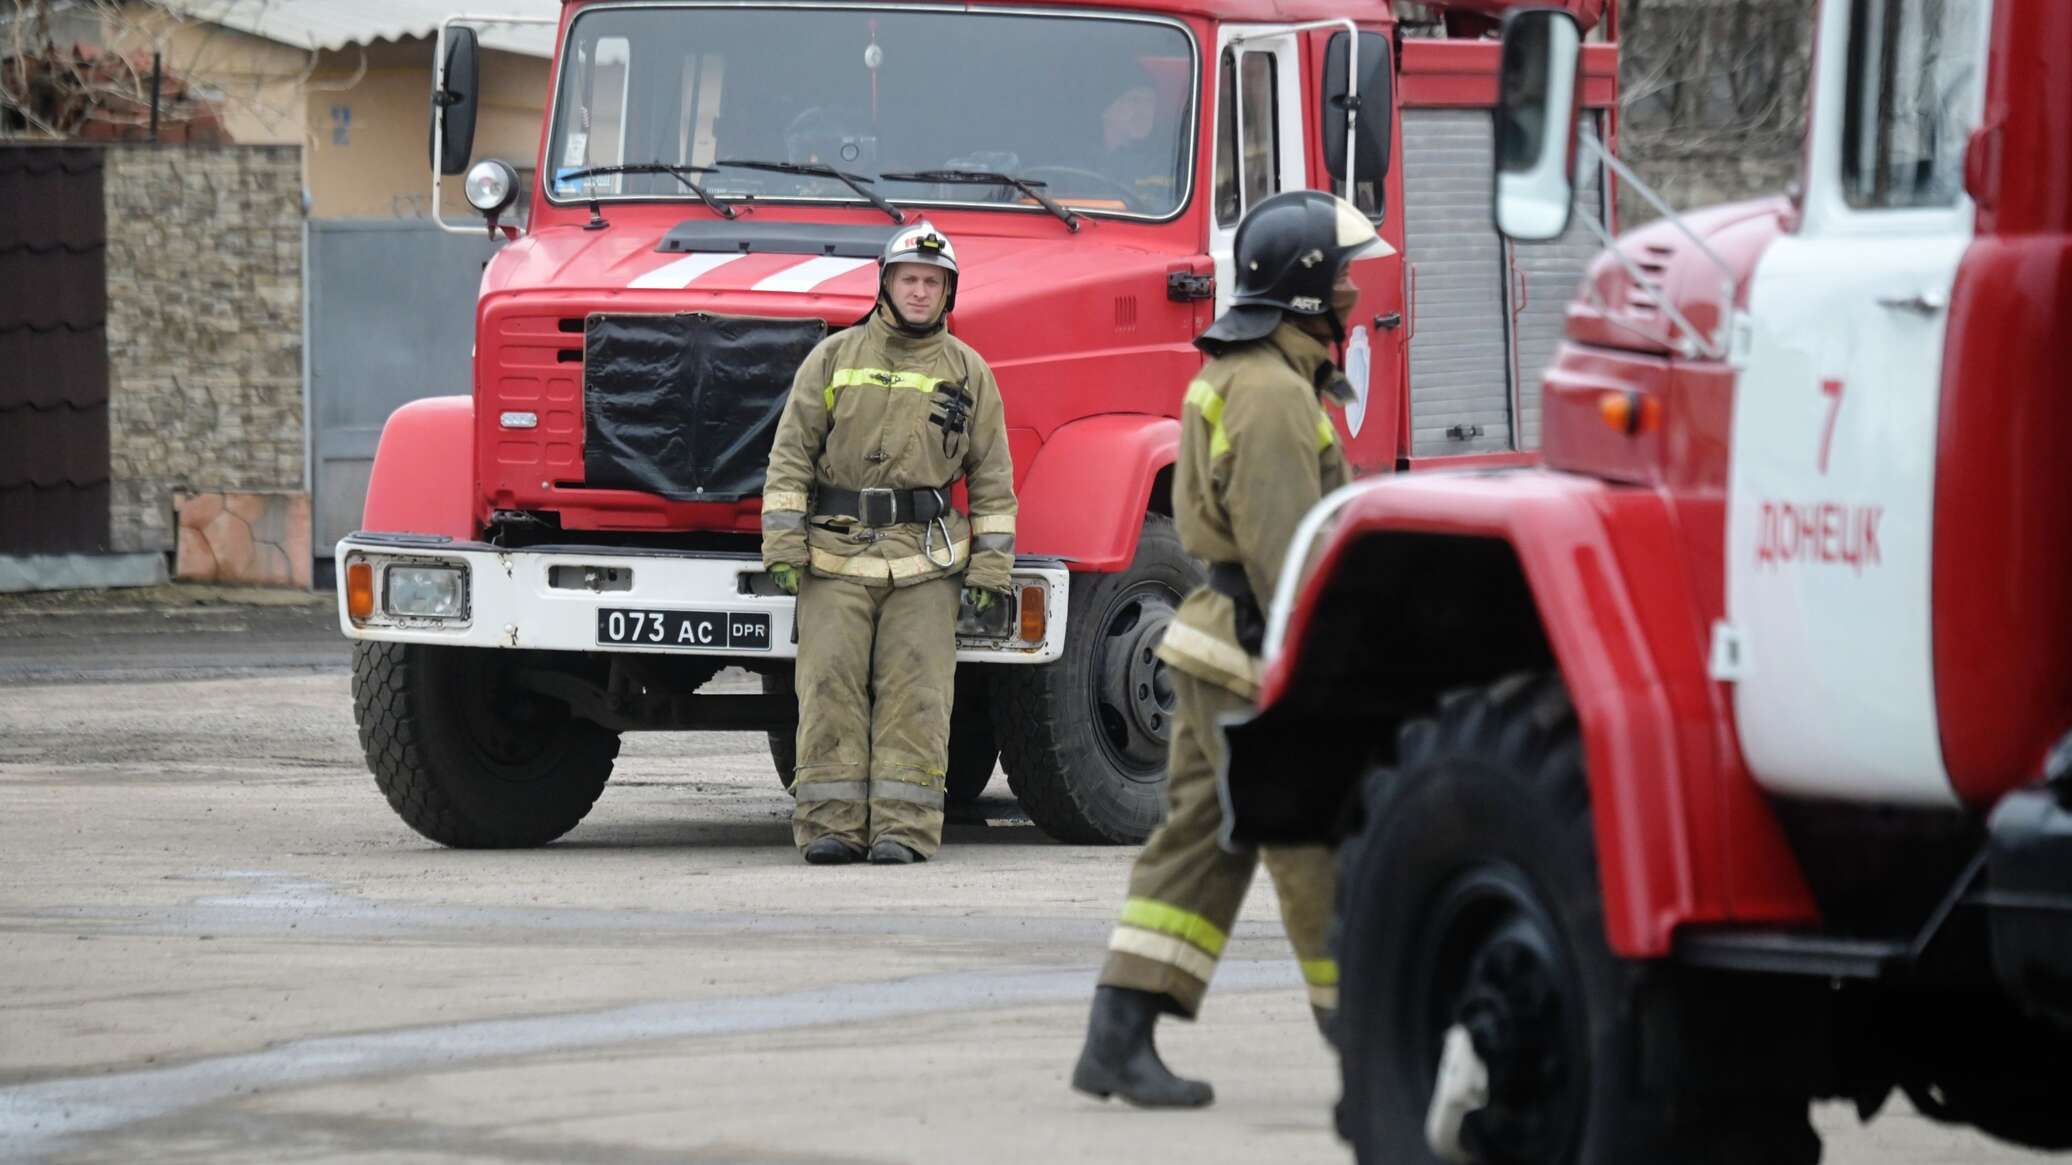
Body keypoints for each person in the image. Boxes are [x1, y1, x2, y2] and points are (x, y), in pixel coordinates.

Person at [1070, 189, 1391, 1105]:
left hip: (1220, 644)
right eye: (1345, 278)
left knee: (1201, 842)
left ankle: (1117, 1038)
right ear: (1306, 287)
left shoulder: (1250, 375)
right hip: (1259, 648)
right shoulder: (1272, 395)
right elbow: (1288, 548)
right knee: (1313, 838)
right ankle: (1376, 1054)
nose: (1357, 295)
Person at [760, 223, 1017, 866]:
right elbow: (789, 458)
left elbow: (992, 481)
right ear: (886, 284)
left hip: (926, 563)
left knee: (918, 694)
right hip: (834, 556)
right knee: (827, 686)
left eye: (933, 282)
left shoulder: (970, 373)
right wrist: (784, 549)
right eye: (911, 280)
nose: (921, 292)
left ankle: (904, 829)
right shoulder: (833, 358)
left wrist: (992, 568)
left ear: (949, 292)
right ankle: (830, 826)